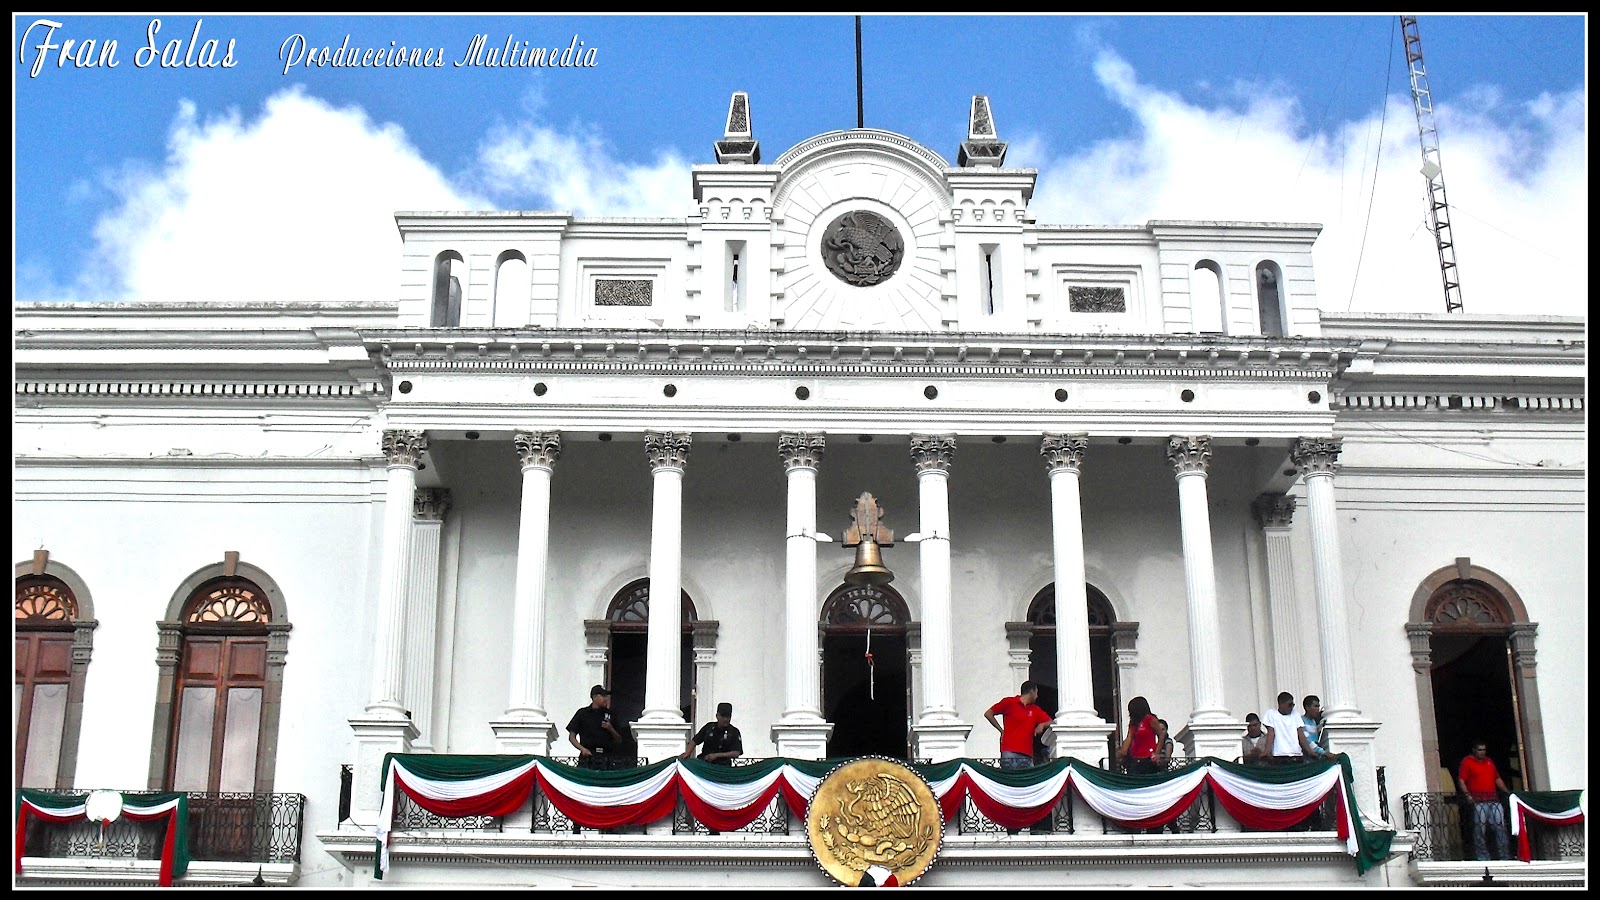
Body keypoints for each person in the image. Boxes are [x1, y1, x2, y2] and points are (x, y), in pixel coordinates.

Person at [1458, 740, 1511, 860]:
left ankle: (1504, 855)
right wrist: (1468, 796)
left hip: (1494, 800)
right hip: (1479, 802)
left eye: (1484, 750)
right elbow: (1461, 780)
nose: (1482, 752)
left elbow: (1497, 778)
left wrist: (1507, 792)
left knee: (1500, 827)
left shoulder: (1489, 761)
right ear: (1474, 750)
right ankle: (1482, 856)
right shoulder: (1467, 761)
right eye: (1480, 750)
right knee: (1480, 829)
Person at [985, 680, 1053, 770]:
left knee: (1028, 782)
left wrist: (1042, 725)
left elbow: (1052, 722)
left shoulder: (1035, 710)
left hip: (1027, 755)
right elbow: (988, 713)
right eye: (1036, 692)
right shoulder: (1009, 702)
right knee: (1011, 781)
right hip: (1009, 752)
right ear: (1032, 691)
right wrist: (1001, 730)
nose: (1037, 696)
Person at [566, 684, 624, 770]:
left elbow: (619, 740)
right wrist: (582, 749)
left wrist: (610, 728)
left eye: (607, 696)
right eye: (603, 696)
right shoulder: (583, 713)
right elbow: (572, 736)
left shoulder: (611, 714)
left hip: (607, 757)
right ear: (595, 697)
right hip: (588, 756)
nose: (606, 699)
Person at [1116, 696, 1165, 775]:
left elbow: (1161, 735)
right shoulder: (1133, 723)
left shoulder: (1150, 719)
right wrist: (1122, 751)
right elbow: (1129, 738)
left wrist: (1157, 753)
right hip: (1134, 758)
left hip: (1148, 758)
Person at [683, 701, 743, 765]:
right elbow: (694, 741)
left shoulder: (734, 731)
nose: (725, 719)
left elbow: (736, 753)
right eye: (722, 716)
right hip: (705, 762)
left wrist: (716, 755)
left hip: (723, 765)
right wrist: (687, 753)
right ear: (717, 716)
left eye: (728, 717)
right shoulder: (709, 727)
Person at [1259, 691, 1303, 764]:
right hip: (1279, 755)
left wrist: (1311, 751)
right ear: (1281, 704)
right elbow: (1271, 733)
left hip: (1296, 754)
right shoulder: (1271, 713)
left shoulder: (1295, 714)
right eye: (1290, 705)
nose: (1292, 707)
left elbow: (1301, 734)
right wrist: (1266, 751)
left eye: (1293, 705)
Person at [1298, 695, 1332, 761]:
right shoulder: (1301, 721)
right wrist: (1322, 752)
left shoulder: (1314, 722)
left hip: (1316, 754)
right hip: (1307, 755)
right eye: (1315, 706)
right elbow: (1307, 740)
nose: (1318, 709)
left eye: (1318, 706)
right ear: (1307, 707)